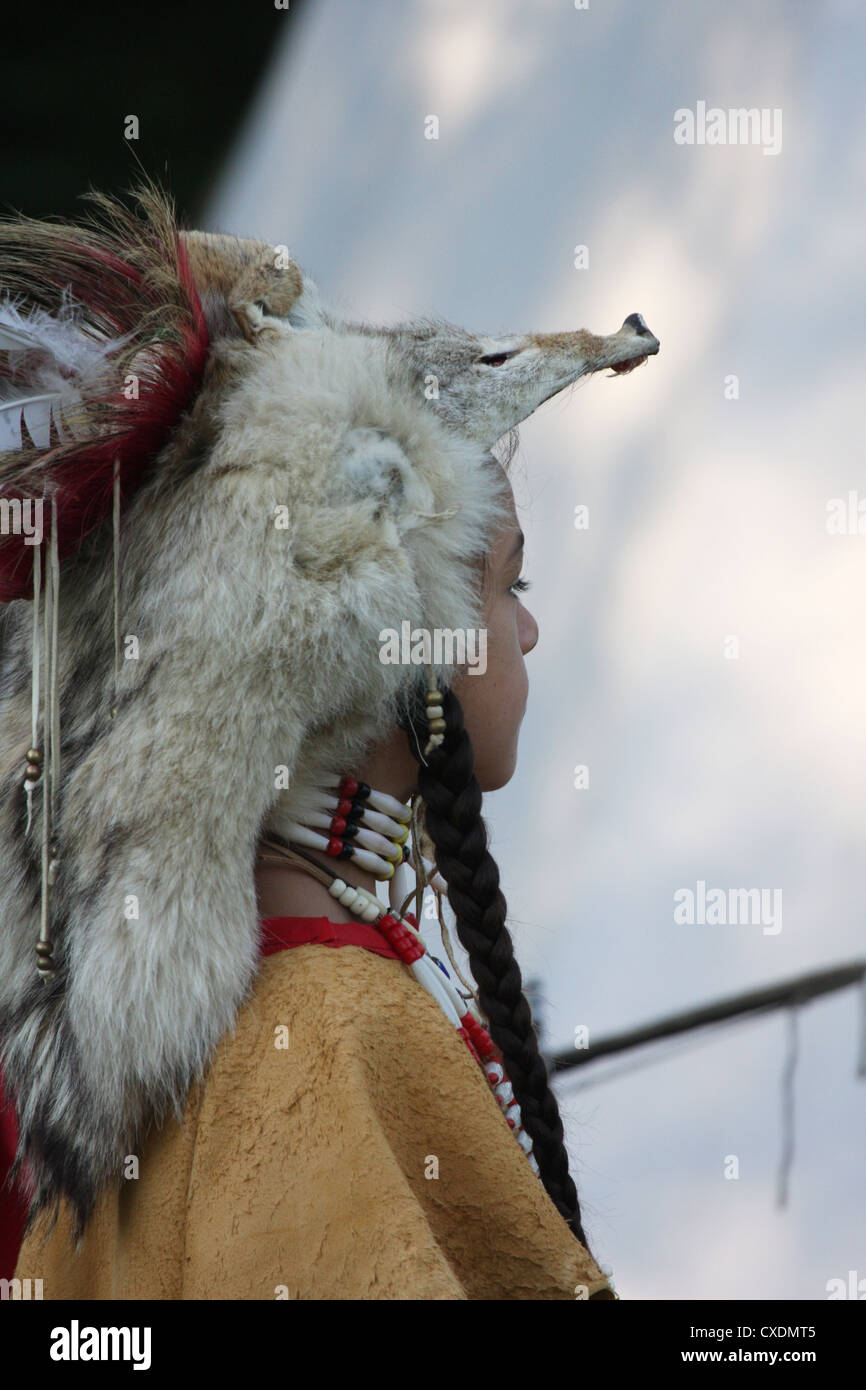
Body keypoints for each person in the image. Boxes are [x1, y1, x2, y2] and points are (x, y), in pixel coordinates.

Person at [0, 179, 659, 1299]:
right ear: (392, 637)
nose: (532, 628)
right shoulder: (324, 1032)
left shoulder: (176, 1074)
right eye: (510, 585)